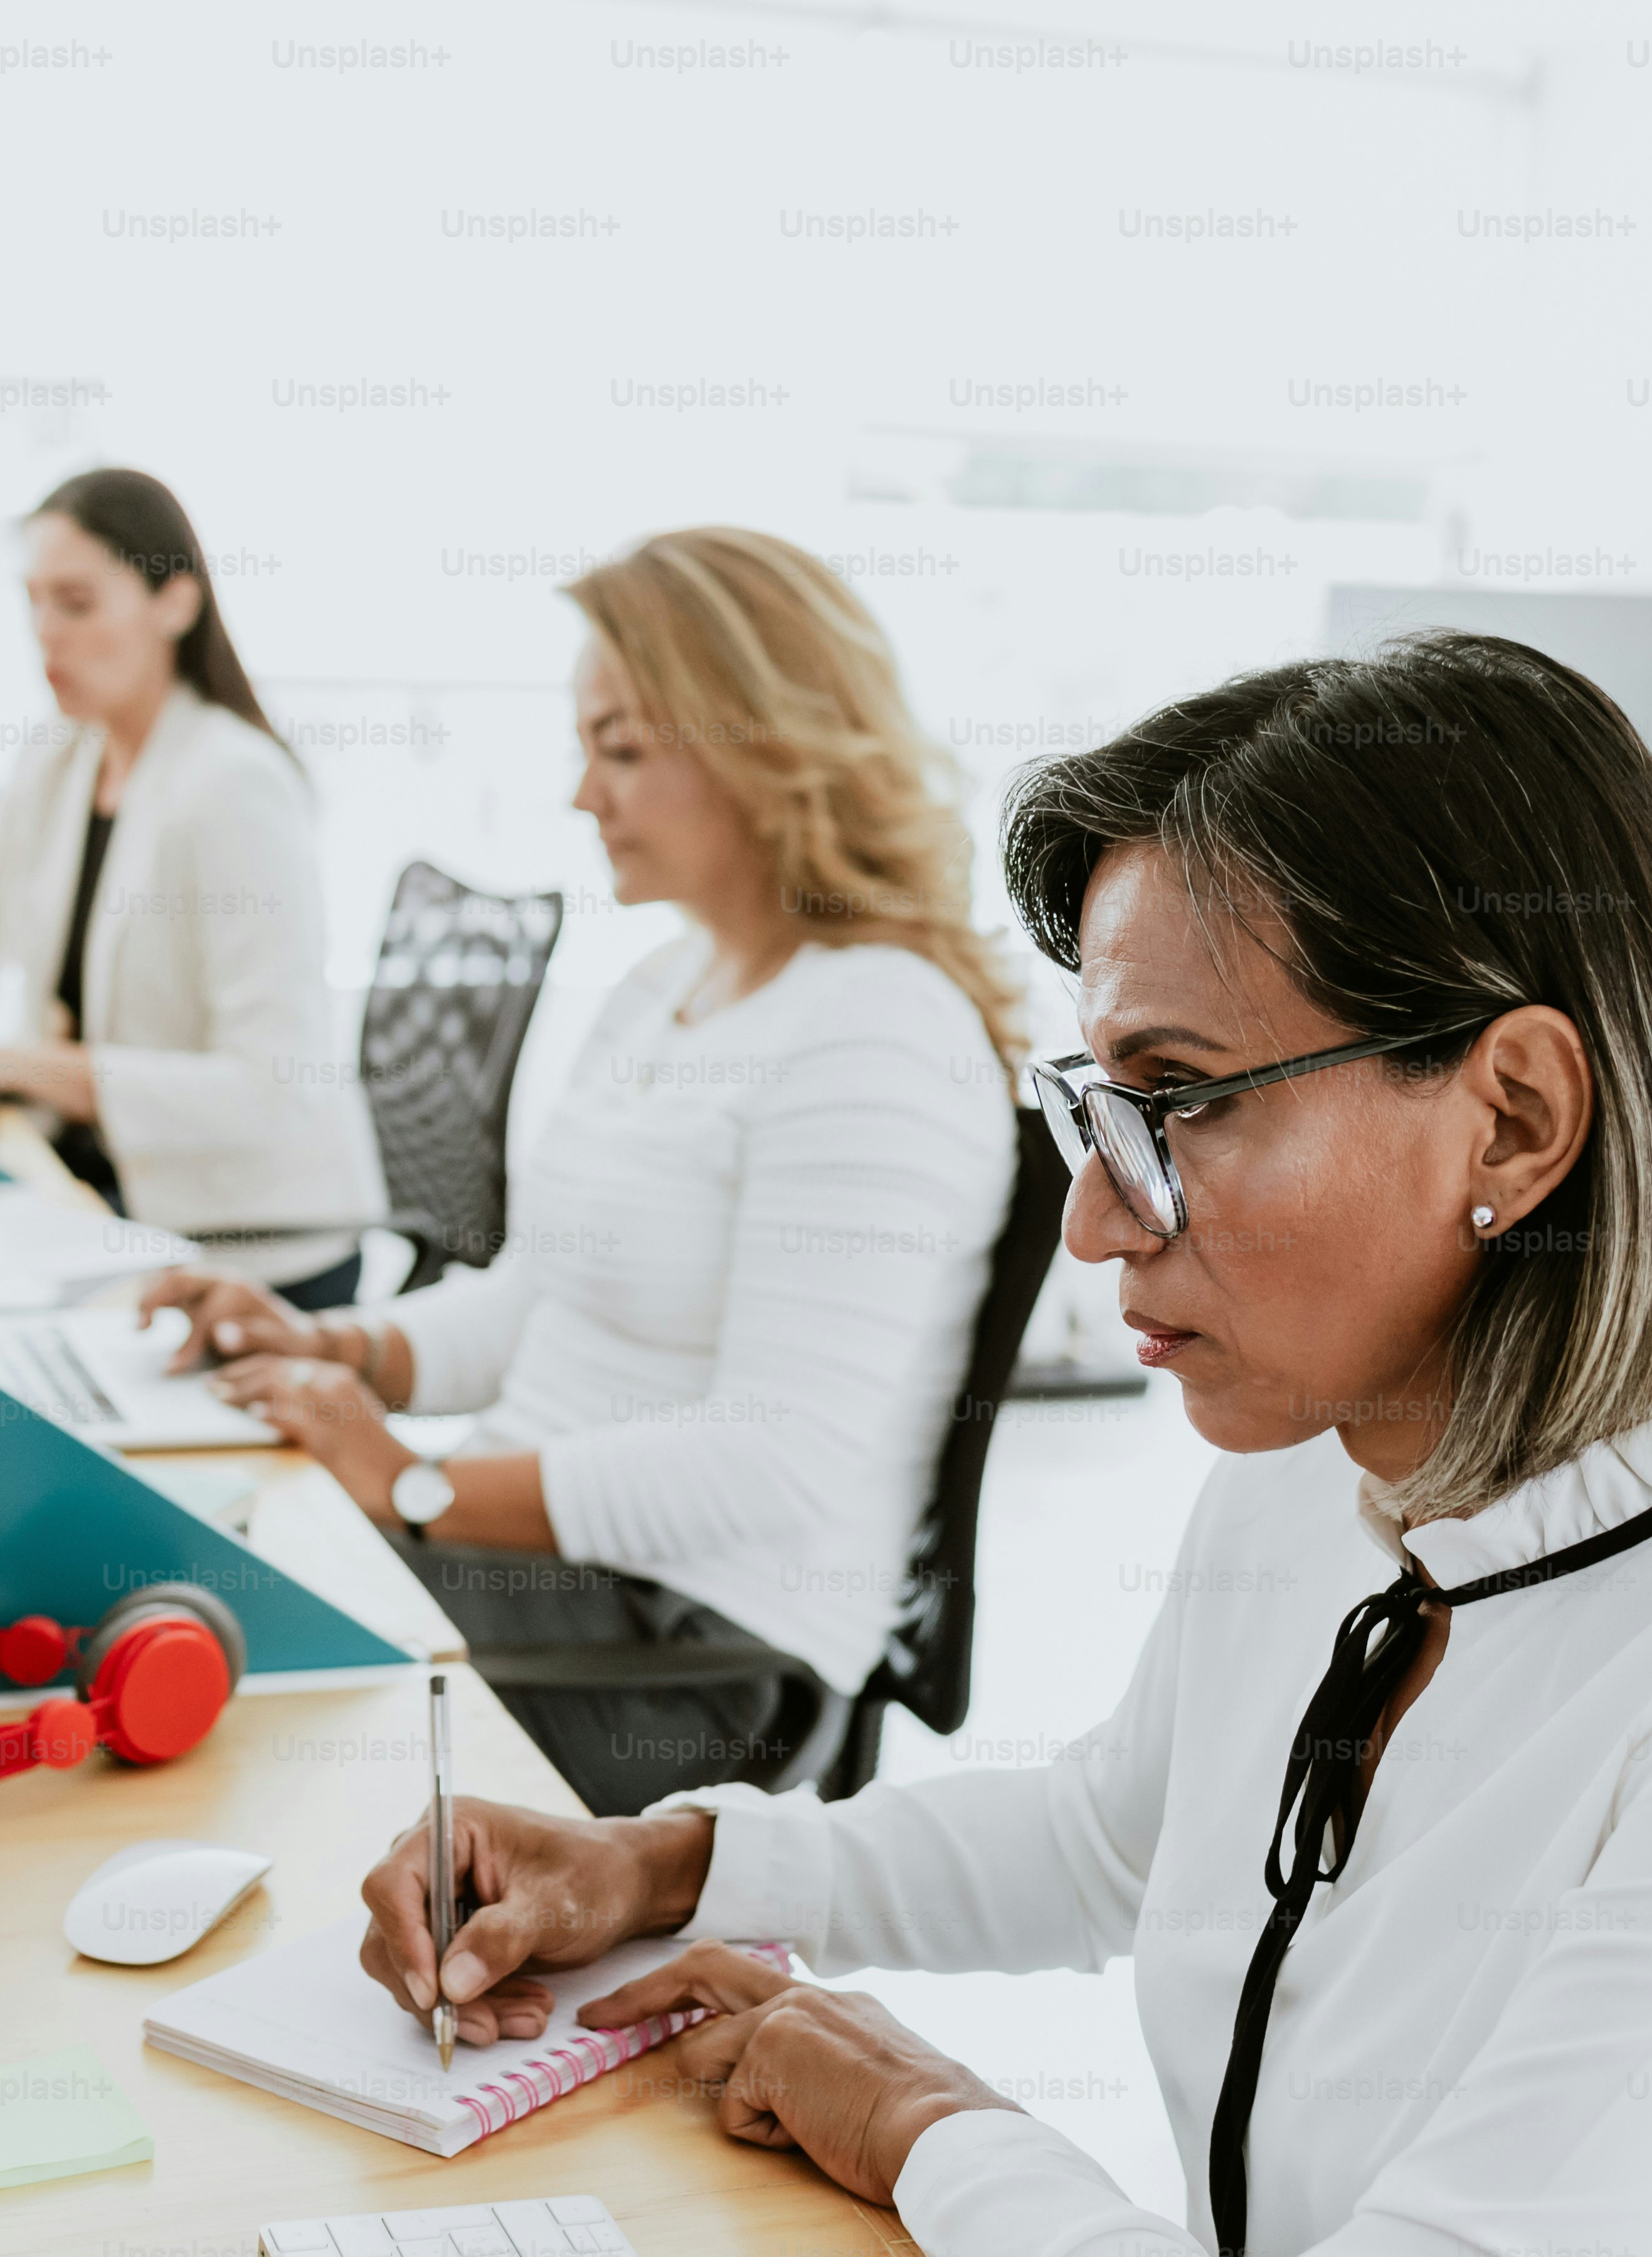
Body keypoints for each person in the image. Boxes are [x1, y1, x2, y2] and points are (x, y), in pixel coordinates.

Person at [340, 634, 1652, 2253]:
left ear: (1510, 1119)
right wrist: (670, 1864)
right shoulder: (1335, 1465)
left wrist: (928, 2131)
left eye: (1180, 1104)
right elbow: (1119, 1837)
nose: (1097, 1227)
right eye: (1099, 1115)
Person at [142, 529, 1021, 1813]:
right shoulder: (665, 983)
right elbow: (527, 1301)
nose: (579, 793)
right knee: (178, 1557)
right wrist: (338, 1352)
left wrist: (413, 1482)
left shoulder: (880, 1032)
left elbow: (769, 1460)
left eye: (619, 749)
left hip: (695, 1665)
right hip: (548, 1590)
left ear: (767, 751)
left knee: (202, 1622)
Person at [0, 469, 376, 1305]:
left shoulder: (234, 785)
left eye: (78, 604)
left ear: (175, 604)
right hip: (99, 1199)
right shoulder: (58, 755)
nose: (46, 634)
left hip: (249, 1253)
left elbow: (272, 1091)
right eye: (35, 603)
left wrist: (2, 1061)